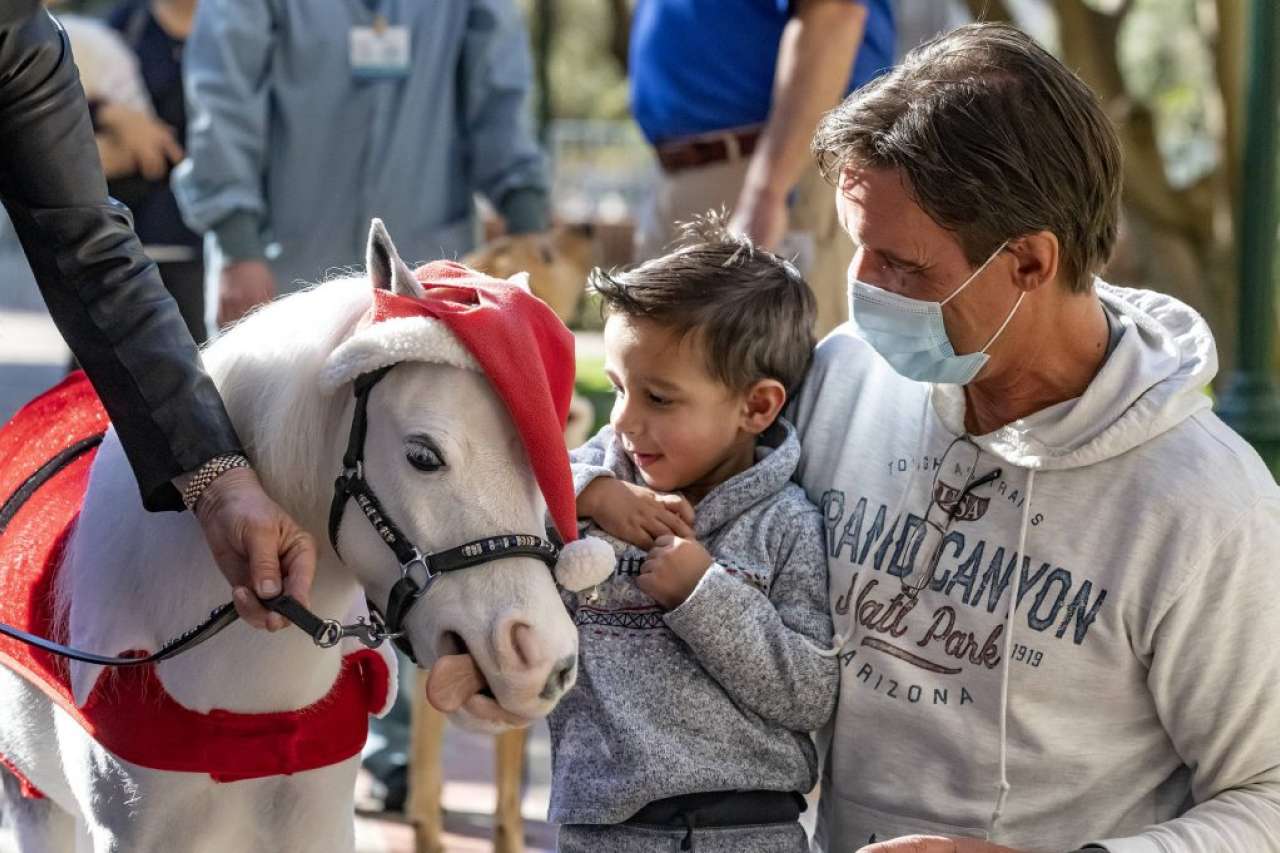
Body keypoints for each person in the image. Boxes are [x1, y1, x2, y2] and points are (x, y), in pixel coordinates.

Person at [791, 23, 1280, 853]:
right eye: (856, 247)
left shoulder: (1206, 504)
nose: (865, 288)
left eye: (904, 266)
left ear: (1028, 263)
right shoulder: (845, 377)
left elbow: (1265, 796)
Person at [0, 2, 315, 633]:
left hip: (176, 271)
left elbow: (94, 255)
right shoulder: (120, 28)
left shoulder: (22, 38)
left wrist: (219, 482)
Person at [549, 217, 838, 852]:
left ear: (756, 407)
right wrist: (591, 493)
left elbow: (810, 695)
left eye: (658, 398)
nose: (624, 421)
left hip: (750, 832)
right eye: (618, 389)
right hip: (604, 833)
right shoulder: (588, 489)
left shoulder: (787, 525)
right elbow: (506, 519)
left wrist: (702, 595)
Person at [173, 0, 550, 332]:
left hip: (427, 276)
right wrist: (238, 245)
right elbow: (223, 106)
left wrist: (527, 224)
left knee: (422, 392)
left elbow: (503, 97)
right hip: (279, 277)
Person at [628, 0, 894, 335]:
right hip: (688, 175)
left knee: (781, 358)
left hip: (773, 171)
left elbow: (834, 15)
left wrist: (767, 192)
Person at [102, 0, 206, 343]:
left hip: (206, 246)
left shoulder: (237, 24)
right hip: (124, 244)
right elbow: (67, 104)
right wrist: (112, 115)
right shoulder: (126, 24)